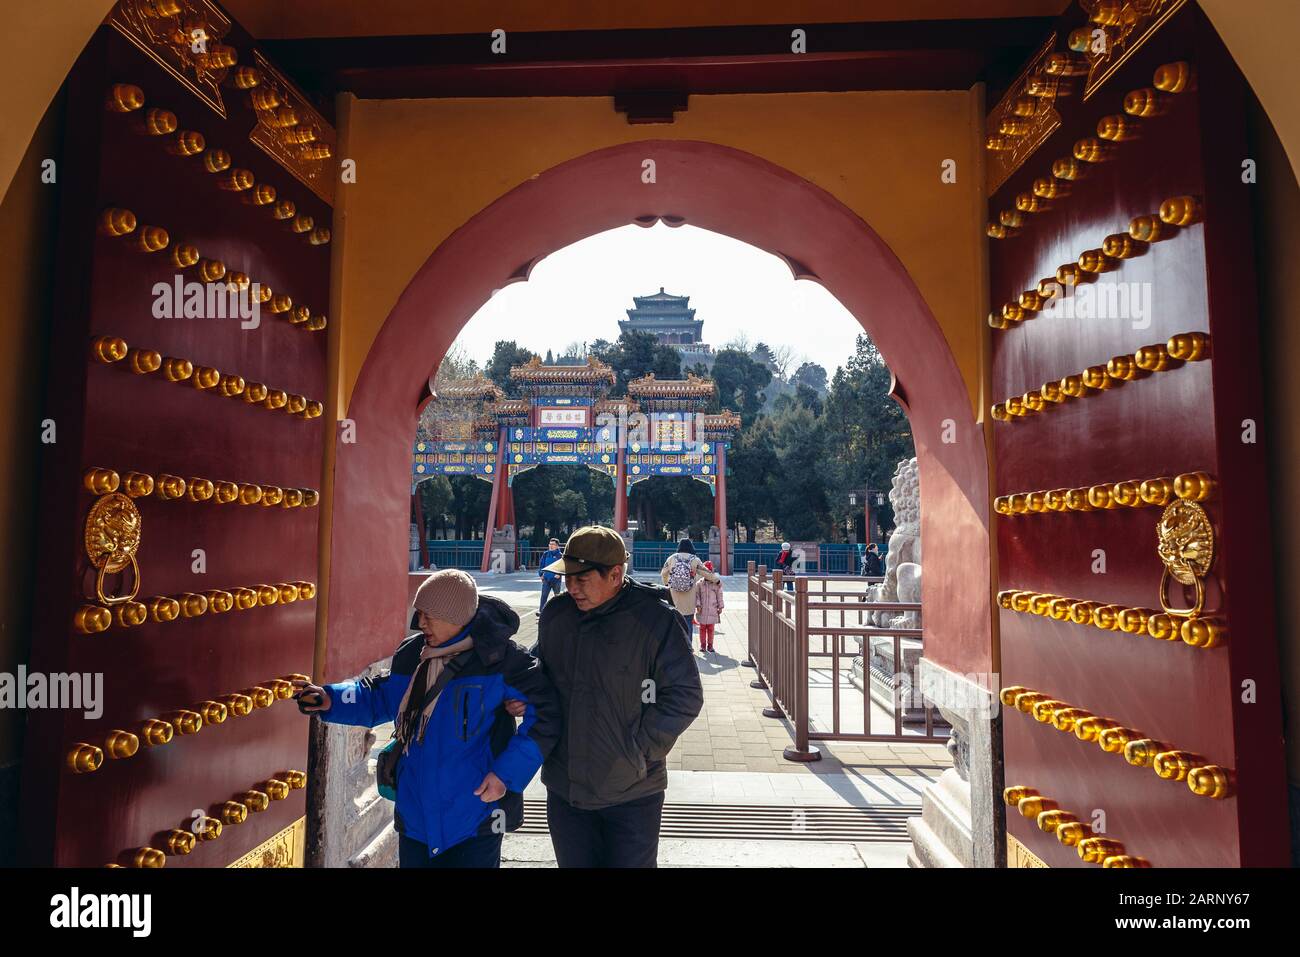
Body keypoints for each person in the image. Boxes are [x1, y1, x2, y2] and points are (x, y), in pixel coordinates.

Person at [292, 569, 559, 868]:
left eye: (428, 615)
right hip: (415, 814)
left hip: (476, 815)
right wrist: (329, 698)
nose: (420, 623)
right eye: (419, 613)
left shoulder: (500, 660)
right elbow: (377, 696)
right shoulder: (412, 656)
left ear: (456, 617)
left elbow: (546, 712)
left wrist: (505, 775)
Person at [531, 525, 703, 867]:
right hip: (566, 787)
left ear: (615, 574)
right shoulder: (557, 616)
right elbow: (541, 671)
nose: (572, 587)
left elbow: (684, 694)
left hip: (633, 792)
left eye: (582, 578)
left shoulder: (655, 620)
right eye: (568, 578)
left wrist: (637, 752)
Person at [660, 538, 719, 650]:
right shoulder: (695, 560)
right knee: (688, 623)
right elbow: (706, 573)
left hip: (675, 597)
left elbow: (663, 573)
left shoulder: (672, 558)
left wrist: (668, 584)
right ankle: (688, 648)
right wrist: (717, 580)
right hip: (689, 597)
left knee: (675, 623)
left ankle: (675, 648)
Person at [694, 559, 725, 654]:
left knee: (711, 629)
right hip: (702, 610)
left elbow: (720, 595)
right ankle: (703, 645)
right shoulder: (699, 584)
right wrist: (698, 605)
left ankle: (710, 645)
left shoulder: (716, 584)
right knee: (702, 628)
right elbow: (697, 595)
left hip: (712, 609)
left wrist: (721, 606)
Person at [537, 536, 564, 617]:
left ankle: (559, 613)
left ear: (557, 546)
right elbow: (541, 565)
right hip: (546, 579)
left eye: (553, 544)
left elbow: (562, 566)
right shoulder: (545, 554)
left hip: (556, 580)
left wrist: (559, 574)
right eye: (550, 544)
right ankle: (541, 612)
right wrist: (541, 574)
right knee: (544, 596)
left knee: (557, 597)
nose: (551, 546)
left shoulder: (560, 555)